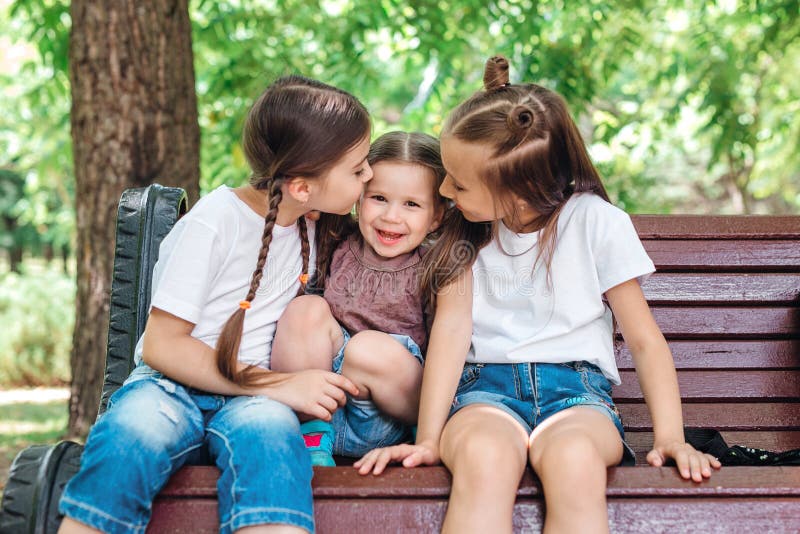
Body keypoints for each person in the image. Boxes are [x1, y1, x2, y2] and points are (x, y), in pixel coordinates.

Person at [354, 56, 721, 533]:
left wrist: (670, 436)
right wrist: (427, 438)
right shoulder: (466, 233)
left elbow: (645, 340)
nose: (444, 190)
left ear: (516, 190)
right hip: (484, 391)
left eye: (458, 183)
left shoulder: (596, 223)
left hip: (578, 395)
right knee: (483, 458)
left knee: (574, 461)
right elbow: (451, 332)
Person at [58, 75, 373, 534]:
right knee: (130, 436)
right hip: (171, 385)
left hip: (251, 403)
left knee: (273, 443)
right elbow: (164, 346)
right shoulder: (216, 221)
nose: (369, 176)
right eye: (359, 168)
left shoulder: (309, 224)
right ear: (303, 186)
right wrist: (278, 383)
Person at [271, 131, 446, 466]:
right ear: (358, 196)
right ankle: (308, 440)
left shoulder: (435, 264)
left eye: (411, 204)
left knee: (365, 347)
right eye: (379, 198)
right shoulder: (337, 236)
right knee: (305, 309)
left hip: (387, 412)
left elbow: (445, 349)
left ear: (436, 216)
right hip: (322, 402)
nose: (392, 216)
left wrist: (431, 430)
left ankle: (415, 435)